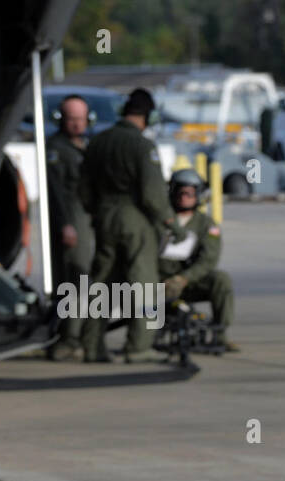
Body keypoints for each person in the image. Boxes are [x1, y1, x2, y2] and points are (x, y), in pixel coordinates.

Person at [78, 88, 184, 363]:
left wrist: (98, 211)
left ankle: (91, 345)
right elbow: (152, 194)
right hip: (134, 219)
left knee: (101, 283)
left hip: (104, 217)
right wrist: (171, 222)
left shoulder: (97, 142)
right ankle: (138, 346)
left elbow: (83, 190)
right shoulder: (142, 146)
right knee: (145, 284)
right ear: (147, 116)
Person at [159, 168, 238, 352]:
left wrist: (184, 278)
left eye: (190, 193)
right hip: (157, 281)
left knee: (221, 280)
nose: (184, 197)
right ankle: (141, 339)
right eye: (180, 192)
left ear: (198, 195)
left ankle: (220, 335)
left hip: (188, 283)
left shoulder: (206, 225)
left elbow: (208, 259)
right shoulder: (159, 220)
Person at [45, 94, 94, 361]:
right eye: (72, 118)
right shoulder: (56, 149)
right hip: (72, 221)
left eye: (81, 119)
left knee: (86, 279)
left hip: (87, 220)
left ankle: (83, 335)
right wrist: (65, 224)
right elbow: (55, 192)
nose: (77, 124)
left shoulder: (87, 146)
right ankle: (68, 338)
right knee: (76, 280)